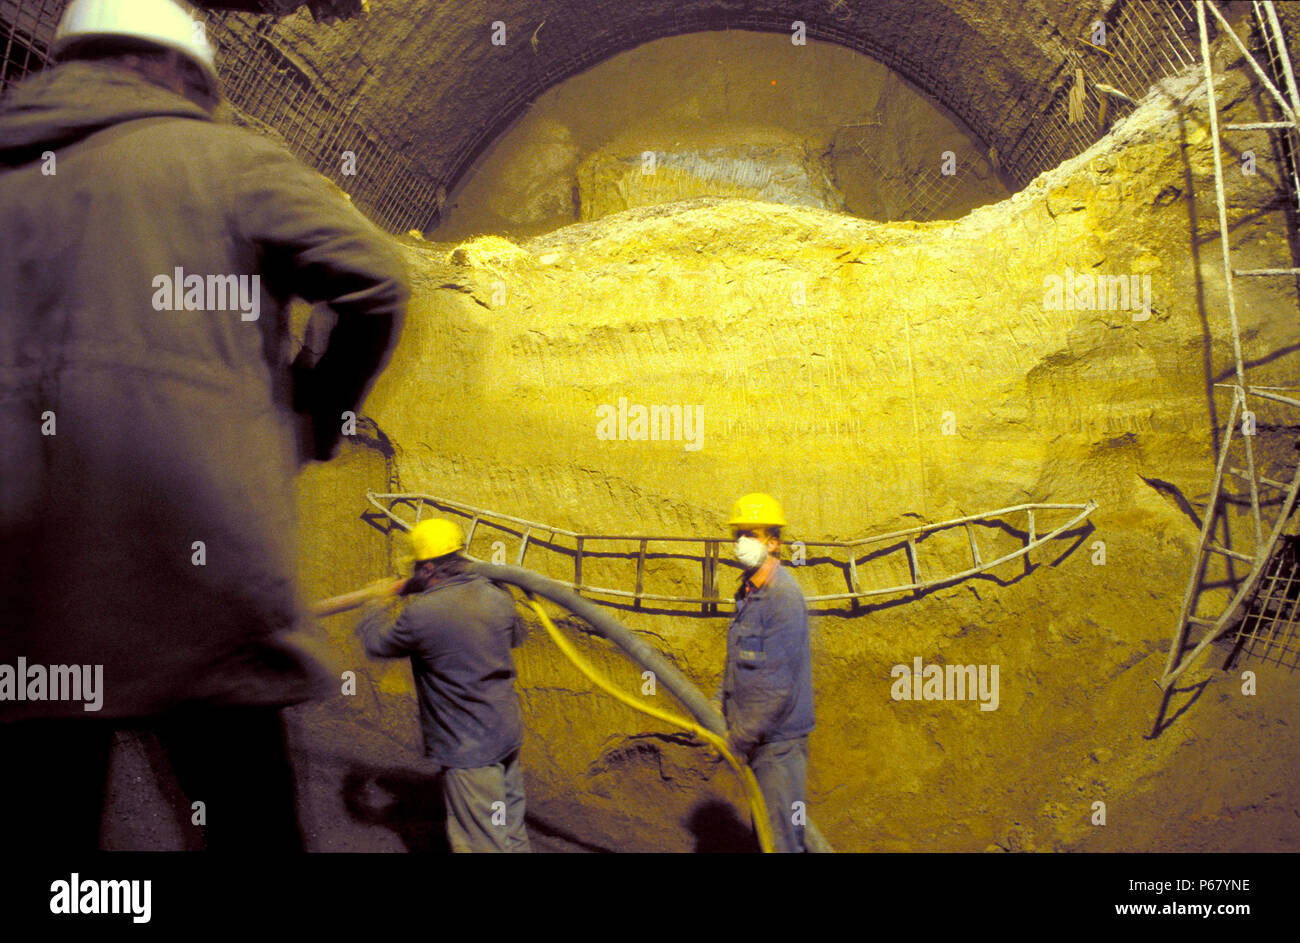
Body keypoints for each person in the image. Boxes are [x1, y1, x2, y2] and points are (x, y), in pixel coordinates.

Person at [0, 0, 408, 851]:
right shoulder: (225, 162)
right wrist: (311, 414)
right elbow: (376, 279)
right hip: (201, 590)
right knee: (247, 825)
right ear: (181, 69)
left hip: (25, 603)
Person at [356, 518, 531, 853]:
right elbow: (518, 637)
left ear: (430, 567)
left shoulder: (421, 613)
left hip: (468, 748)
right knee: (509, 827)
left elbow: (377, 645)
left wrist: (375, 605)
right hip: (505, 732)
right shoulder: (496, 595)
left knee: (481, 841)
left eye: (417, 567)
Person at [716, 493, 815, 853]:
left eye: (751, 534)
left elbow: (778, 687)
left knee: (783, 843)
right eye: (737, 534)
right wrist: (716, 704)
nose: (741, 542)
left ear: (774, 542)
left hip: (778, 746)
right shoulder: (747, 592)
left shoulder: (783, 597)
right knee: (768, 840)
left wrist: (739, 737)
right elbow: (739, 663)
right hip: (760, 742)